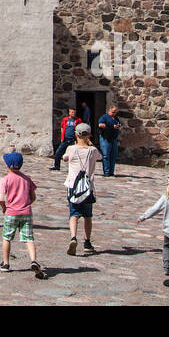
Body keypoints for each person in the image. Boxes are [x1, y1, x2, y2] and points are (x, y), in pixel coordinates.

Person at [0, 152, 46, 278]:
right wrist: (27, 204)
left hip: (11, 212)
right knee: (29, 238)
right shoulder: (27, 179)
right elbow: (33, 197)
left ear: (7, 165)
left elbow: (1, 198)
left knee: (7, 237)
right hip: (26, 212)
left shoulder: (5, 180)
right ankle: (34, 260)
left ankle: (6, 263)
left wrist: (4, 208)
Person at [63, 122, 102, 255]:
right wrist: (90, 144)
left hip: (73, 186)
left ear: (76, 134)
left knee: (74, 215)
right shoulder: (93, 151)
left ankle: (73, 237)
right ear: (89, 135)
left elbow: (65, 158)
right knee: (87, 216)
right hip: (88, 188)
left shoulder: (71, 149)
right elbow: (100, 157)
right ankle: (87, 242)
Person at [97, 104, 121, 176]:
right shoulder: (104, 117)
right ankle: (107, 172)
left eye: (115, 112)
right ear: (109, 111)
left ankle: (111, 171)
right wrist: (110, 126)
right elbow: (100, 125)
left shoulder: (116, 118)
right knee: (106, 155)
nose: (114, 113)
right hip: (106, 138)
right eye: (113, 112)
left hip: (113, 138)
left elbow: (118, 124)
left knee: (113, 155)